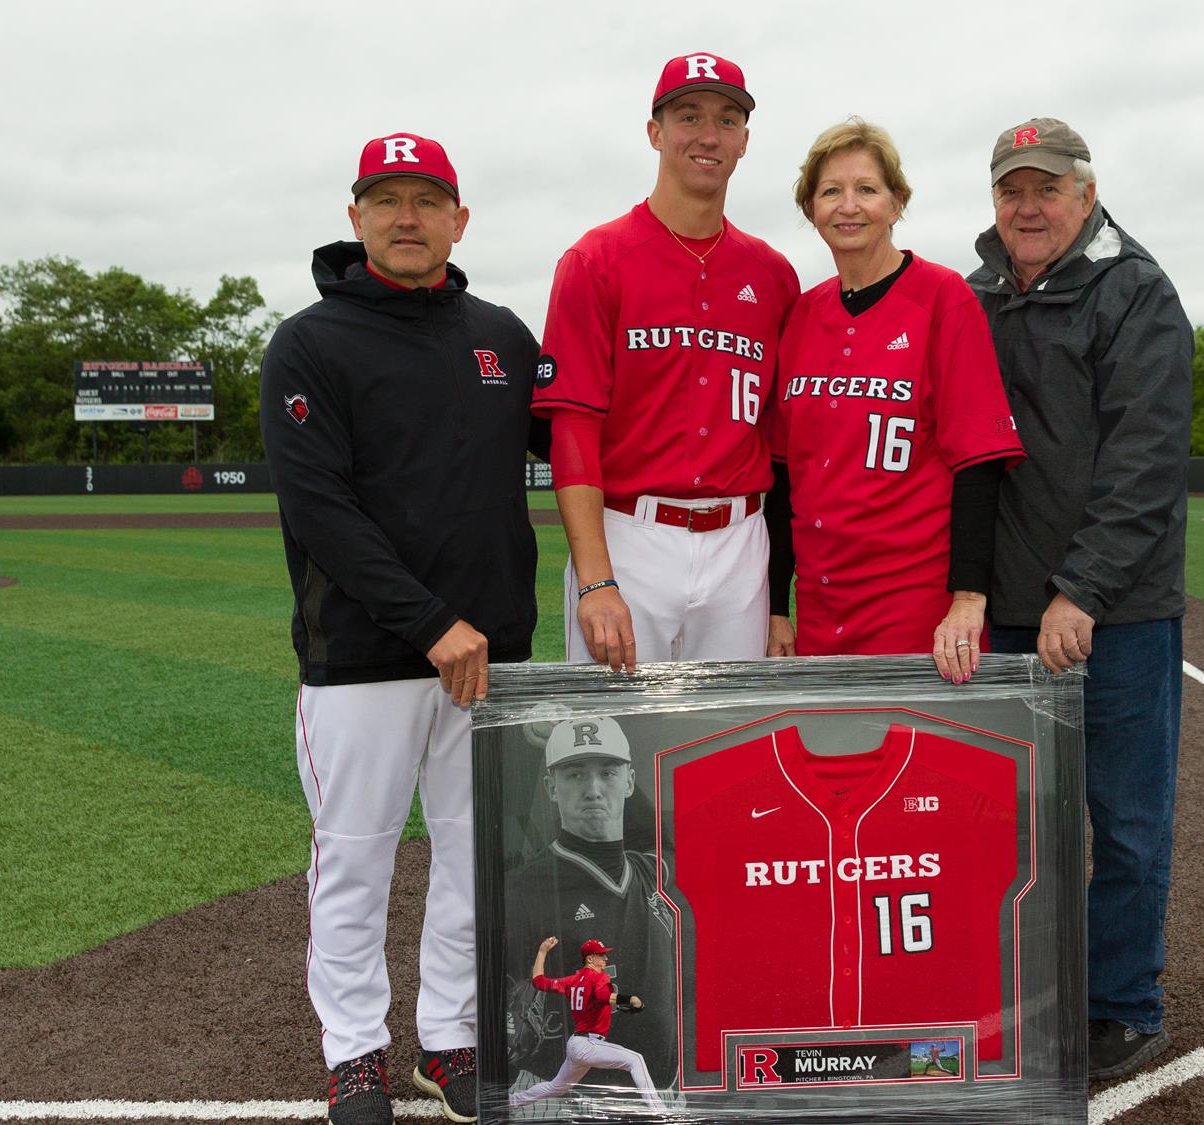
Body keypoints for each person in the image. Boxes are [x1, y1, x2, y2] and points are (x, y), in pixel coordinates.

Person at [260, 132, 548, 1125]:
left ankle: (451, 1036)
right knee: (354, 857)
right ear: (355, 219)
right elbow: (321, 511)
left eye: (427, 199)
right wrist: (431, 623)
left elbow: (591, 434)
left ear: (459, 219)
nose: (407, 216)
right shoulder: (308, 342)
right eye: (385, 200)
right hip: (363, 660)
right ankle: (353, 1052)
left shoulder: (503, 337)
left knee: (475, 860)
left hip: (488, 659)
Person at [964, 117, 1193, 1083]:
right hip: (1006, 609)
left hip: (1118, 612)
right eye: (1013, 188)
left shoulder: (1135, 291)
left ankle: (1122, 1004)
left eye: (1047, 188)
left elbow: (1142, 464)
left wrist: (1081, 590)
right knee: (1008, 825)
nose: (1029, 205)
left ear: (1085, 195)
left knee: (1126, 824)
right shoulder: (971, 295)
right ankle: (1021, 993)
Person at [535, 52, 800, 672]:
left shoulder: (774, 275)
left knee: (729, 745)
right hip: (630, 535)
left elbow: (781, 438)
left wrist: (782, 591)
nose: (708, 135)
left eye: (727, 119)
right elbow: (572, 425)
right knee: (610, 746)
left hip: (741, 539)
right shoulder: (595, 260)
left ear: (744, 142)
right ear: (655, 132)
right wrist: (597, 580)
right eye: (689, 116)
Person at [764, 118, 1023, 678]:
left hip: (913, 608)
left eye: (867, 189)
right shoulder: (802, 316)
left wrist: (968, 600)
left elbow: (979, 462)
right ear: (811, 208)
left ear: (896, 202)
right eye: (830, 191)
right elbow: (783, 476)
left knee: (910, 759)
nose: (848, 206)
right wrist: (773, 604)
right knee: (824, 756)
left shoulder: (943, 298)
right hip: (818, 606)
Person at [503, 717, 675, 1096]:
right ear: (551, 787)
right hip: (563, 1098)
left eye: (608, 773)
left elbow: (667, 839)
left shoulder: (650, 869)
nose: (594, 790)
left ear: (630, 782)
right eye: (575, 775)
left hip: (661, 1093)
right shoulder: (524, 888)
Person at [510, 937, 666, 1114]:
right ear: (590, 959)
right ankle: (660, 1111)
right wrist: (629, 999)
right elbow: (602, 996)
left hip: (576, 1044)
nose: (605, 959)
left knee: (557, 1087)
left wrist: (542, 951)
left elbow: (538, 981)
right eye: (601, 955)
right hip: (588, 1044)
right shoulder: (598, 977)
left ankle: (513, 1101)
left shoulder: (572, 980)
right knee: (635, 1059)